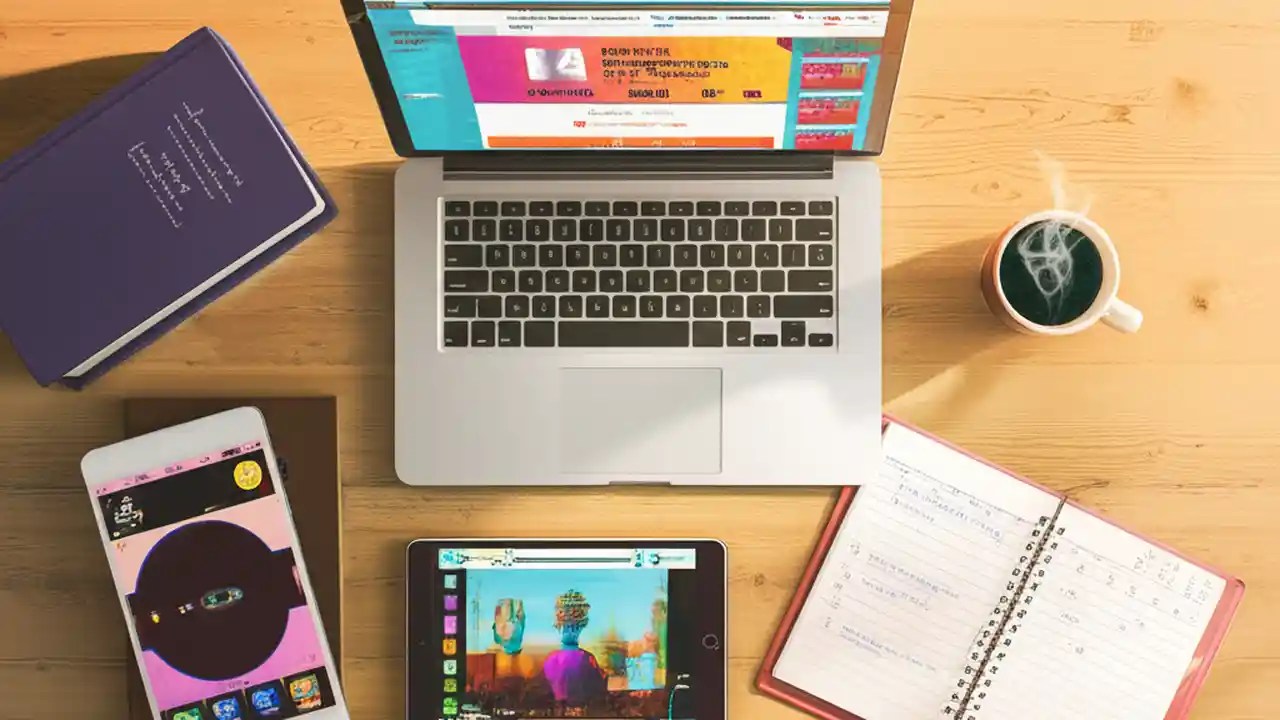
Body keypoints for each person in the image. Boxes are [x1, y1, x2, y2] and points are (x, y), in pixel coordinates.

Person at [540, 589, 607, 707]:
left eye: (573, 625)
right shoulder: (587, 658)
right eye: (566, 625)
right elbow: (598, 690)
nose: (570, 630)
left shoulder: (552, 659)